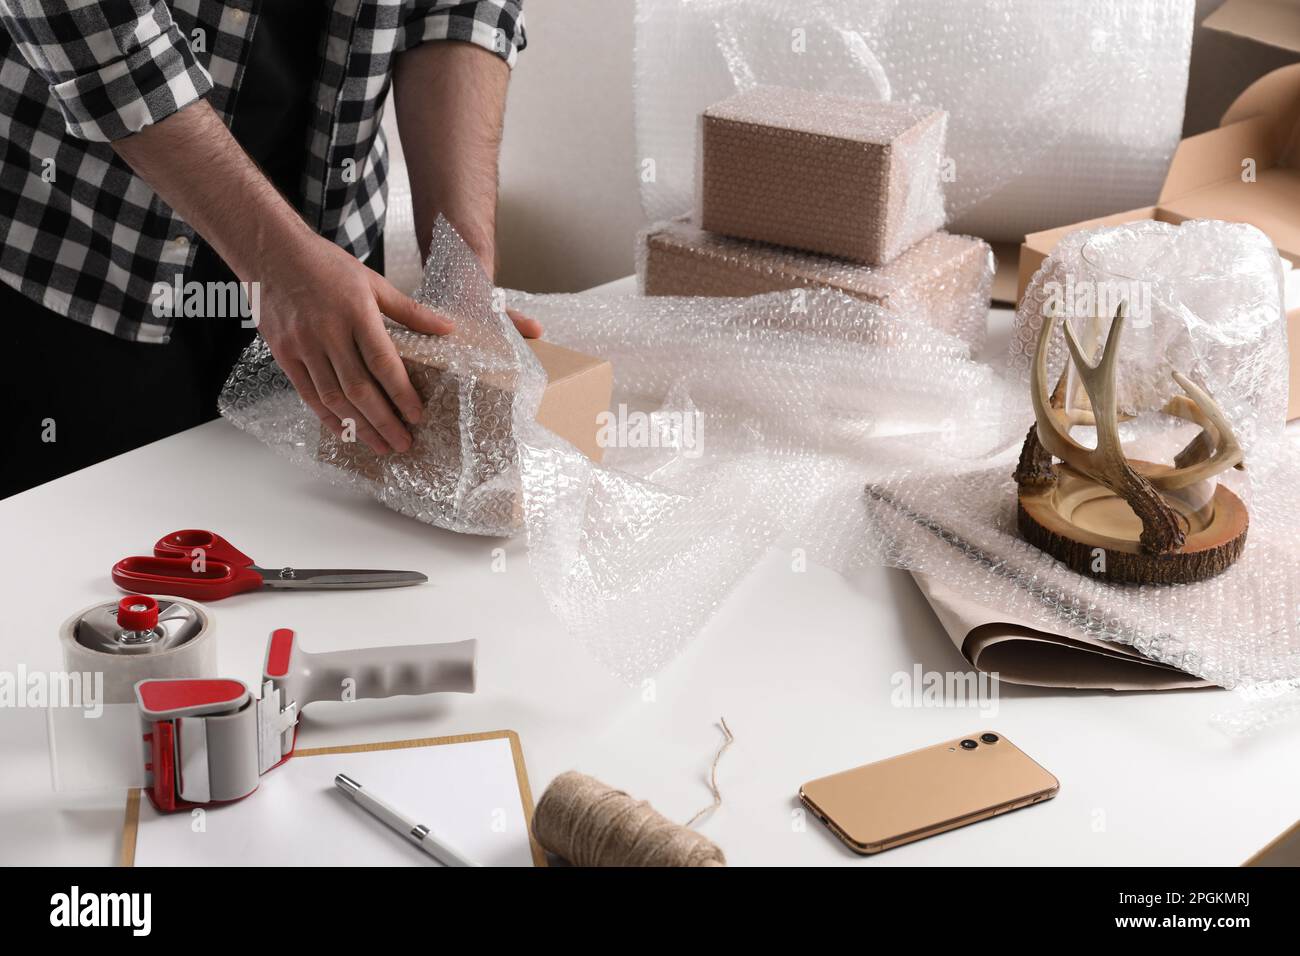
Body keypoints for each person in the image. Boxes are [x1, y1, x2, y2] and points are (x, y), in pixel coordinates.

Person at [0, 0, 540, 498]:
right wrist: (277, 262)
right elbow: (84, 19)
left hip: (335, 278)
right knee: (77, 563)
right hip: (83, 256)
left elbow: (461, 9)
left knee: (305, 537)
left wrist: (461, 268)